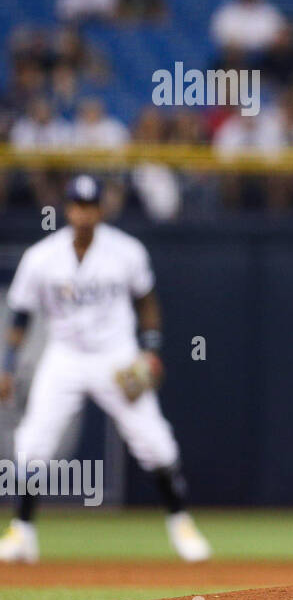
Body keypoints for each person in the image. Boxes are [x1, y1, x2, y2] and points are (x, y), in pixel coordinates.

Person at [0, 175, 210, 563]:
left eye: (90, 205)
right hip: (64, 356)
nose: (83, 213)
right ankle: (22, 532)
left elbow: (147, 301)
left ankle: (181, 524)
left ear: (101, 209)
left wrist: (150, 351)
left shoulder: (126, 252)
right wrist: (7, 367)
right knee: (32, 445)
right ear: (68, 209)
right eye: (77, 205)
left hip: (117, 356)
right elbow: (20, 316)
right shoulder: (41, 256)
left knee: (155, 442)